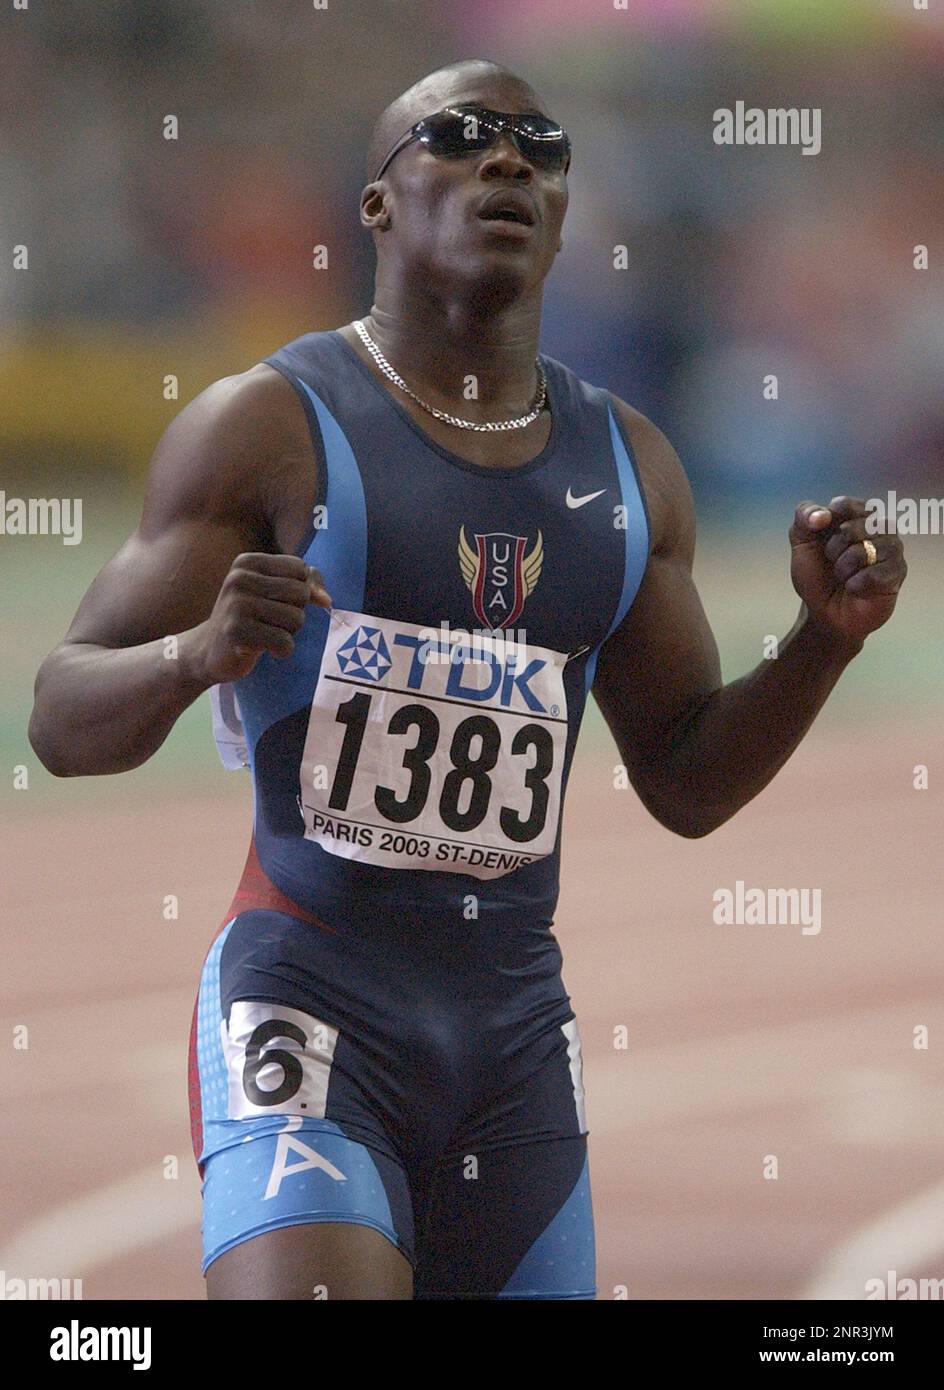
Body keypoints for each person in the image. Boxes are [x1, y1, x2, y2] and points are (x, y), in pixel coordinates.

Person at [28, 59, 907, 1300]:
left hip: (509, 1045)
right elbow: (59, 718)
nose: (506, 161)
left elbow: (688, 781)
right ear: (376, 204)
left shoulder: (628, 466)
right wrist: (194, 656)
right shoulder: (267, 426)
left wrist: (821, 641)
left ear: (559, 212)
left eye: (537, 148)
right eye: (458, 136)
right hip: (305, 1000)